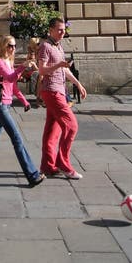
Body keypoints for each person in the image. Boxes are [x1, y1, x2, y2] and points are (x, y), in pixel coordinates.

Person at [0, 35, 45, 187]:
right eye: (9, 46)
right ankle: (32, 175)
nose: (12, 48)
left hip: (5, 104)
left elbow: (13, 86)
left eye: (14, 46)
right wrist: (24, 65)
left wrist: (24, 101)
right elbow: (11, 78)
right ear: (3, 47)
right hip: (0, 106)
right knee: (17, 139)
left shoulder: (9, 62)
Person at [37, 16, 87, 180]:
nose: (62, 33)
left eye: (64, 30)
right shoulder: (45, 46)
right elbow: (42, 70)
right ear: (50, 30)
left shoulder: (58, 47)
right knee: (71, 126)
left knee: (53, 130)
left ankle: (48, 166)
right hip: (51, 91)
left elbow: (65, 70)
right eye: (59, 30)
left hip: (59, 90)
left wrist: (78, 84)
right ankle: (63, 164)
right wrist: (59, 65)